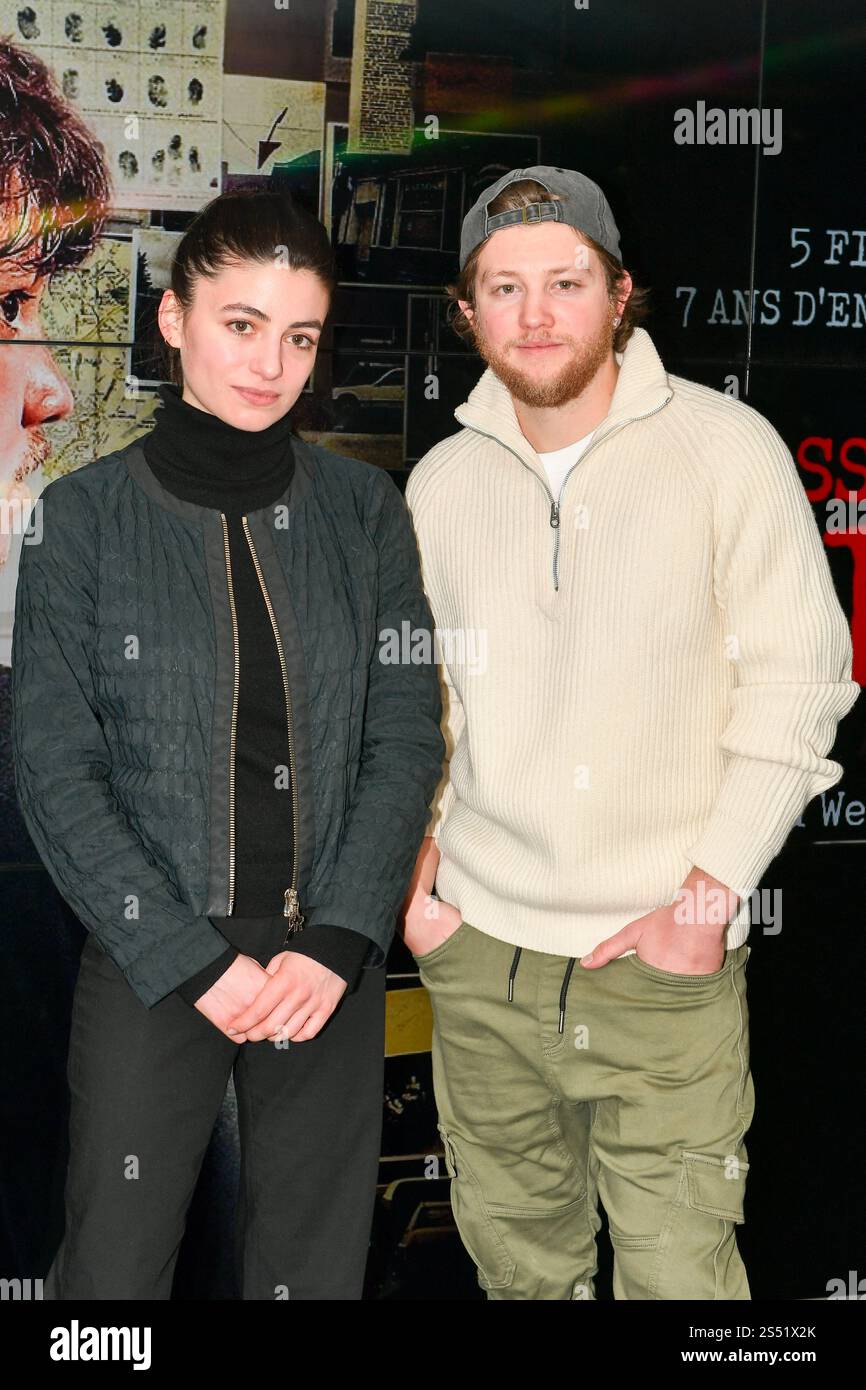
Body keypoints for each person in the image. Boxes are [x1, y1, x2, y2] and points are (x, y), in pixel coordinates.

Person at [400, 166, 860, 1300]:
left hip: (658, 967)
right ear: (466, 313)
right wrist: (422, 888)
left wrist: (704, 904)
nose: (534, 313)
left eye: (564, 281)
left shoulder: (724, 448)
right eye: (501, 287)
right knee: (518, 1270)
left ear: (619, 294)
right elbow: (428, 707)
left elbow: (802, 680)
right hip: (480, 961)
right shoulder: (438, 483)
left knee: (680, 1283)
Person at [11, 188, 445, 1299]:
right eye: (240, 324)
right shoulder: (83, 521)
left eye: (298, 335)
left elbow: (401, 738)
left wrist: (341, 936)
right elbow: (56, 770)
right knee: (107, 1280)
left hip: (320, 962)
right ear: (173, 318)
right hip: (157, 959)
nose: (271, 364)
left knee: (309, 1271)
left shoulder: (363, 513)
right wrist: (190, 961)